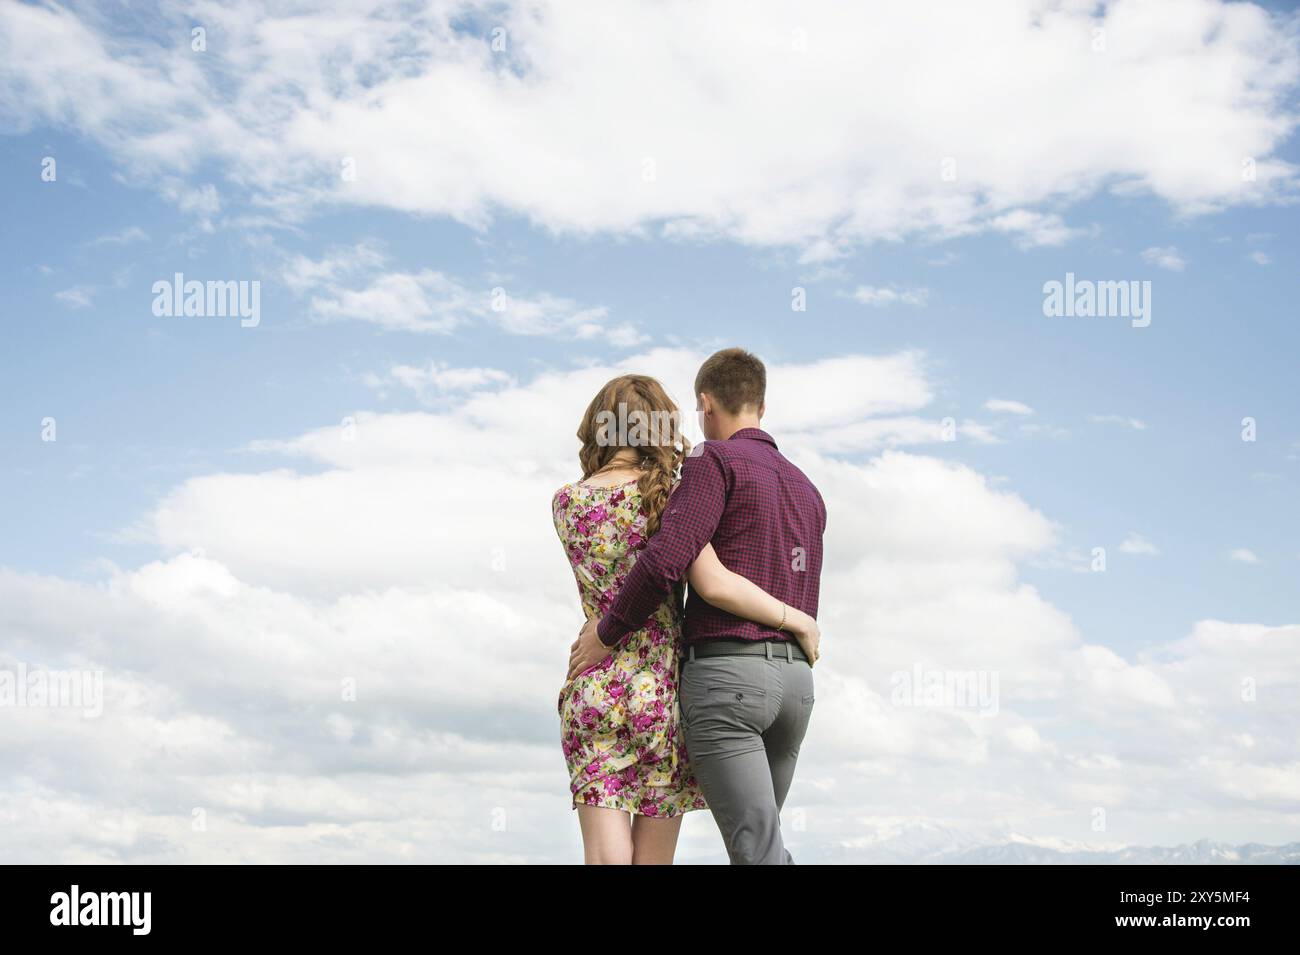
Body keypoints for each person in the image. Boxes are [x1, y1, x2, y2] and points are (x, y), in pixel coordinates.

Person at [570, 348, 826, 864]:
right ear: (762, 404)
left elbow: (677, 566)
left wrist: (607, 631)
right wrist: (797, 619)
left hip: (713, 678)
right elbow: (716, 572)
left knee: (755, 849)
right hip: (789, 686)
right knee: (759, 844)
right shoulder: (806, 487)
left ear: (706, 403)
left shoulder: (708, 464)